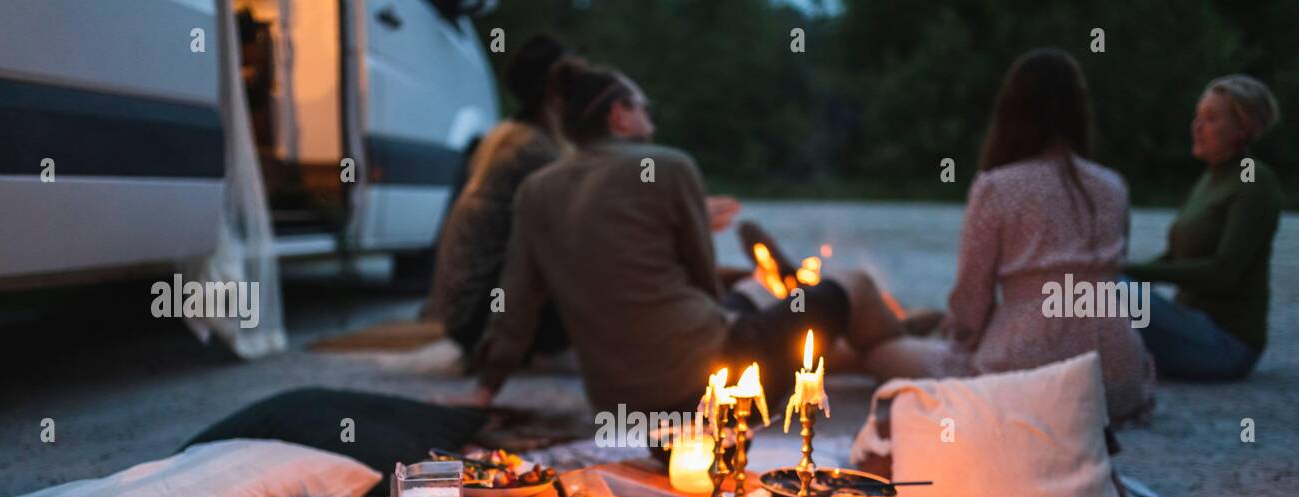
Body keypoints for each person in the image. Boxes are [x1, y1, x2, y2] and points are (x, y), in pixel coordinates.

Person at [466, 58, 909, 414]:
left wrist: (483, 391)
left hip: (619, 402)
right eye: (645, 109)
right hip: (713, 385)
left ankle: (863, 348)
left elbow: (515, 303)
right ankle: (927, 366)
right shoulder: (667, 164)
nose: (651, 122)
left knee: (758, 291)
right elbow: (703, 282)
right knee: (854, 286)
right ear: (619, 115)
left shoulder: (536, 190)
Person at [856, 49, 1156, 423]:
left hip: (1027, 375)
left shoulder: (998, 187)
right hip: (1115, 377)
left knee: (881, 354)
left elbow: (971, 299)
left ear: (1012, 110)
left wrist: (957, 337)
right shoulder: (1114, 185)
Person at [418, 34, 571, 358]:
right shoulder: (533, 150)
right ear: (554, 90)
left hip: (461, 317)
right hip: (478, 322)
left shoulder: (505, 136)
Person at [1123, 75, 1282, 379]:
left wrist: (1126, 274)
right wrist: (1113, 270)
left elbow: (1223, 272)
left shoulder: (1253, 180)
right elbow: (1174, 257)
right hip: (1192, 325)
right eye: (1197, 116)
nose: (1197, 126)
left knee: (1110, 291)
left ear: (1242, 127)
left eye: (1210, 118)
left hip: (1226, 345)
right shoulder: (1209, 179)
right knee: (1087, 289)